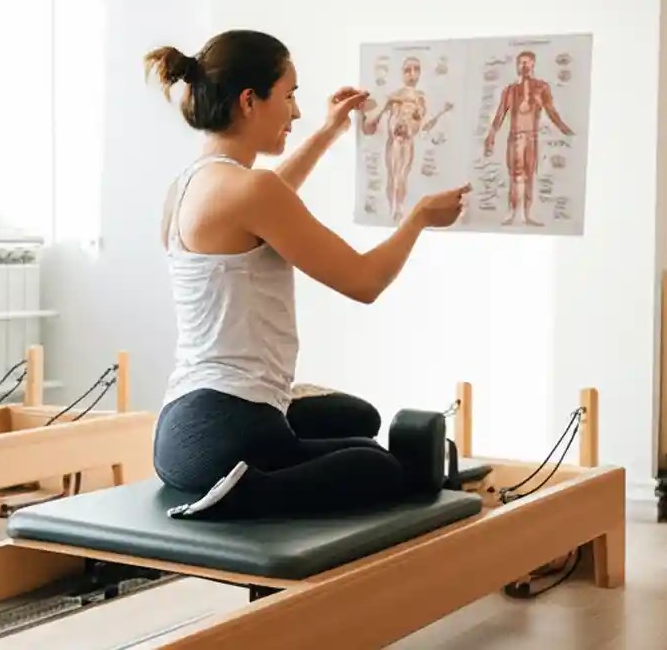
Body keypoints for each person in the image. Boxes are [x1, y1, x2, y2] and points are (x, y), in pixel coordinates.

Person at [143, 30, 469, 520]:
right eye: (290, 96)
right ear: (250, 101)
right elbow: (364, 281)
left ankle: (251, 476)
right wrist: (419, 216)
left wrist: (329, 131)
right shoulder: (249, 192)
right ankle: (241, 494)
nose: (296, 113)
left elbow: (271, 198)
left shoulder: (191, 184)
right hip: (225, 435)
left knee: (359, 418)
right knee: (379, 466)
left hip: (187, 425)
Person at [484, 50, 573, 226]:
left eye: (527, 62)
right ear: (517, 66)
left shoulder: (541, 87)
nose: (523, 66)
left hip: (531, 137)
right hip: (515, 137)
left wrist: (565, 129)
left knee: (530, 175)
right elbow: (500, 114)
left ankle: (528, 213)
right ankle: (512, 212)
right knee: (514, 175)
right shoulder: (510, 90)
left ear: (533, 64)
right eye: (520, 63)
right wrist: (491, 135)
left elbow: (551, 111)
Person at [360, 57, 454, 222]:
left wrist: (439, 114)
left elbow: (424, 125)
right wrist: (386, 106)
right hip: (395, 140)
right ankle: (392, 209)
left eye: (416, 69)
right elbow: (371, 124)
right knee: (394, 175)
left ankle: (399, 208)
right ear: (401, 73)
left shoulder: (421, 98)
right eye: (408, 70)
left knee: (402, 175)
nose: (412, 74)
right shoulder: (394, 95)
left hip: (408, 140)